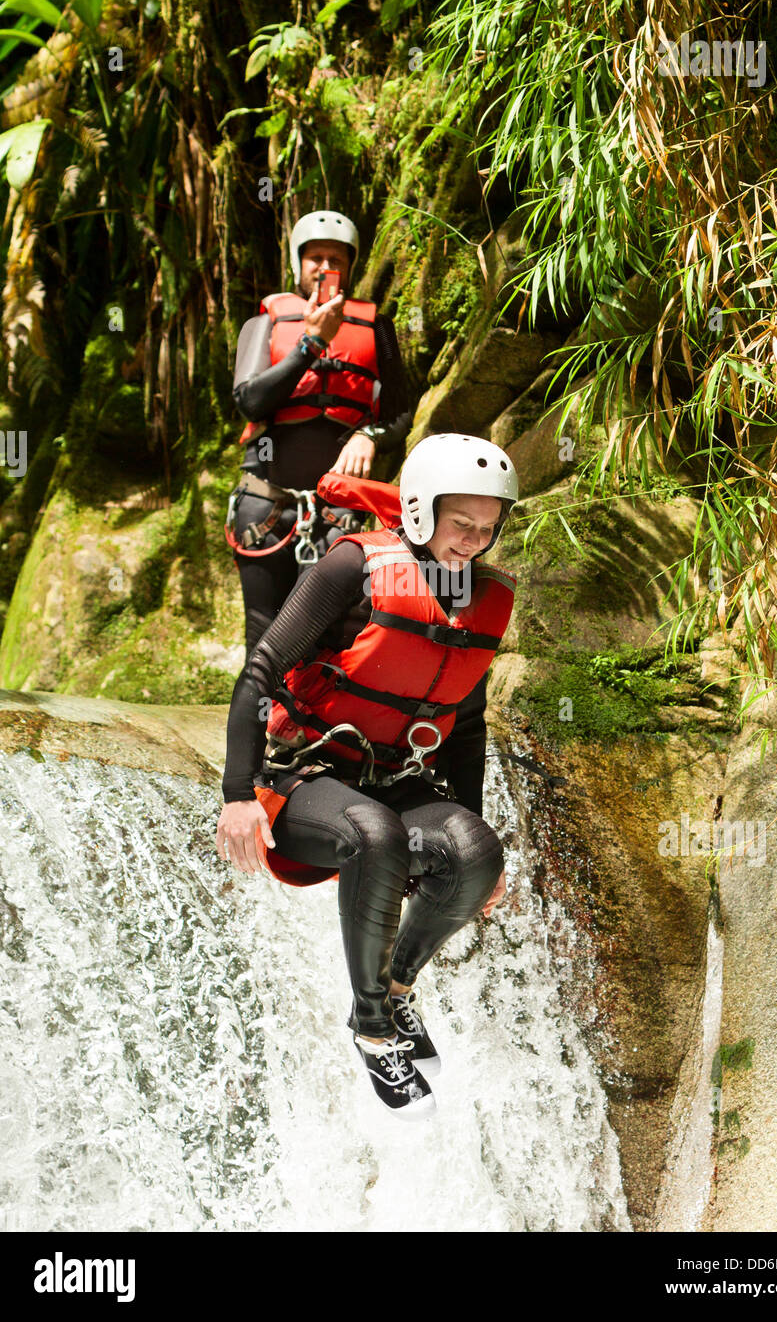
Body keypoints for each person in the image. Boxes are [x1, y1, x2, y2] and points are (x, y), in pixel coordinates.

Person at [216, 434, 519, 1118]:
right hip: (302, 781)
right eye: (460, 524)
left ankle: (401, 990)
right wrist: (238, 794)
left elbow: (464, 730)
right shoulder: (352, 567)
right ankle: (372, 1024)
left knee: (475, 852)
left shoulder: (482, 600)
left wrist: (471, 827)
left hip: (394, 777)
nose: (472, 542)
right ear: (419, 510)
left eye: (486, 529)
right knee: (374, 833)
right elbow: (260, 672)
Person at [225, 210, 411, 670]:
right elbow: (249, 401)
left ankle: (309, 732)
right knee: (263, 629)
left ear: (350, 267)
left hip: (340, 507)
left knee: (331, 627)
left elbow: (402, 413)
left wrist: (369, 434)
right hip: (267, 503)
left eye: (336, 258)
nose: (325, 266)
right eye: (315, 258)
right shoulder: (263, 323)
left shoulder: (377, 328)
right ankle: (260, 731)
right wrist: (310, 344)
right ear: (298, 263)